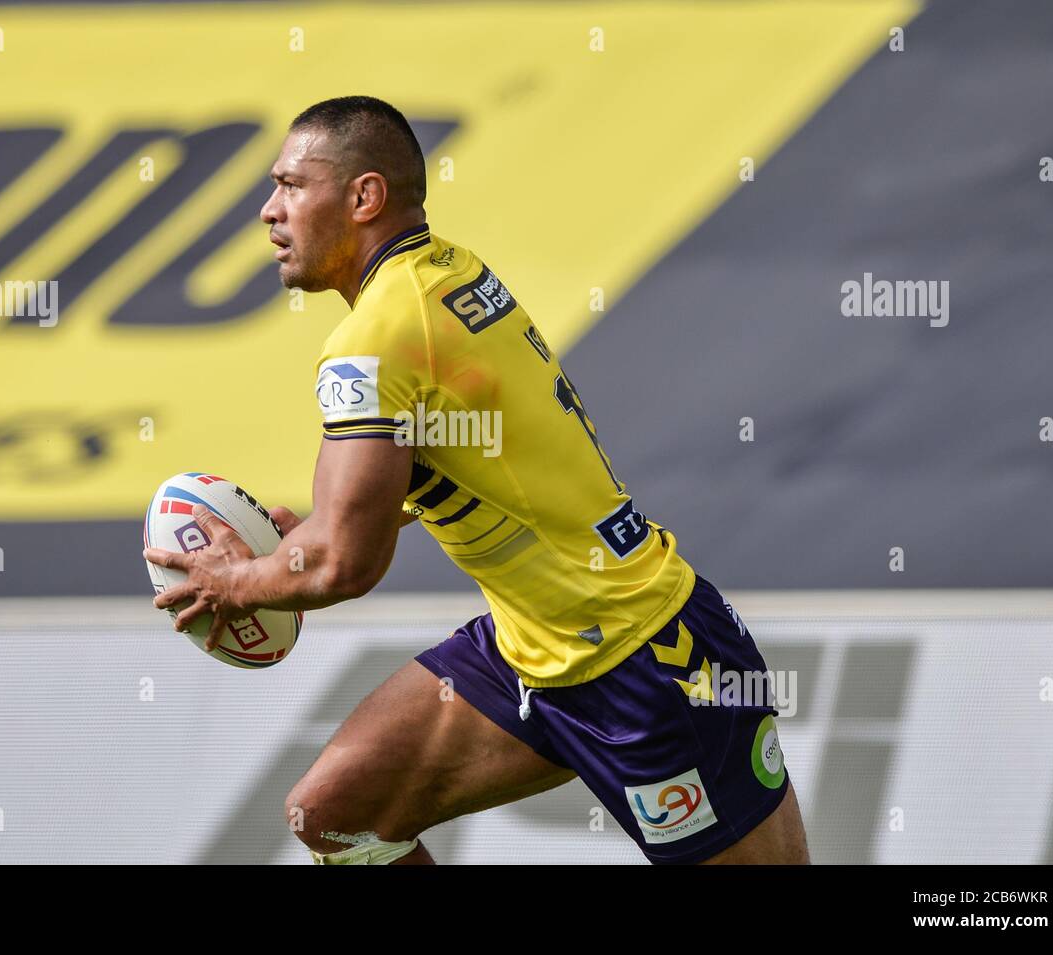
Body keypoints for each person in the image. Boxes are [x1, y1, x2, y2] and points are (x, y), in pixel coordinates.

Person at [143, 95, 809, 865]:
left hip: (649, 663)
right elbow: (471, 463)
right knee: (335, 815)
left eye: (292, 185)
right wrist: (328, 523)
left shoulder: (374, 340)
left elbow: (342, 564)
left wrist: (237, 582)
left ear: (363, 197)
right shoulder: (446, 274)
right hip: (531, 651)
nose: (269, 210)